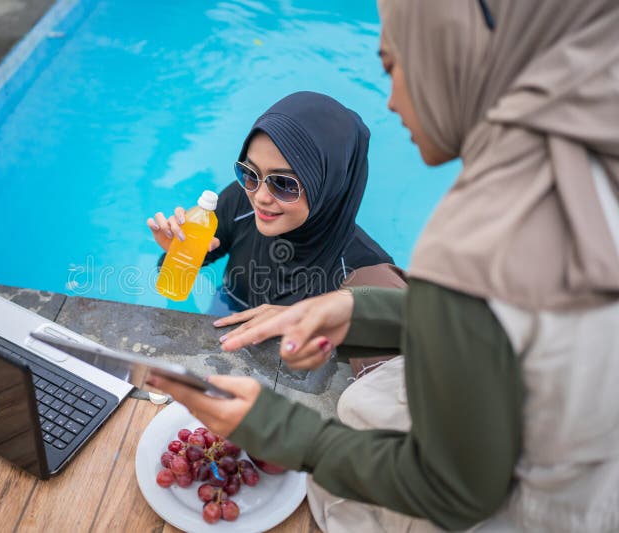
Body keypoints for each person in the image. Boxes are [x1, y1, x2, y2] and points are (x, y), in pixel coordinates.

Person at [148, 1, 619, 531]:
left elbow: (456, 486)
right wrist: (184, 252)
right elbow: (495, 322)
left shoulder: (408, 256)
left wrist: (284, 431)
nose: (391, 101)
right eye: (250, 174)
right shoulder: (568, 179)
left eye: (395, 65)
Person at [147, 91, 399, 313]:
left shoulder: (364, 273)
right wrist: (176, 253)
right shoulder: (240, 201)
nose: (260, 197)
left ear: (329, 186)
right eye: (250, 173)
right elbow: (174, 284)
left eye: (285, 184)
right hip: (226, 313)